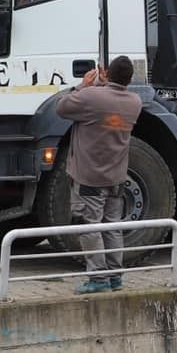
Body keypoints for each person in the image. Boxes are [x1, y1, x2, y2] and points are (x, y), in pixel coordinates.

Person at [52, 56, 141, 293]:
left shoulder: (90, 96)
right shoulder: (135, 102)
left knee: (90, 227)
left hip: (89, 177)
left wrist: (84, 85)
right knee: (112, 227)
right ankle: (114, 277)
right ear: (130, 79)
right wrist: (104, 83)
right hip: (116, 177)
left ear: (108, 74)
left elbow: (61, 107)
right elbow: (108, 107)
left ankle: (98, 279)